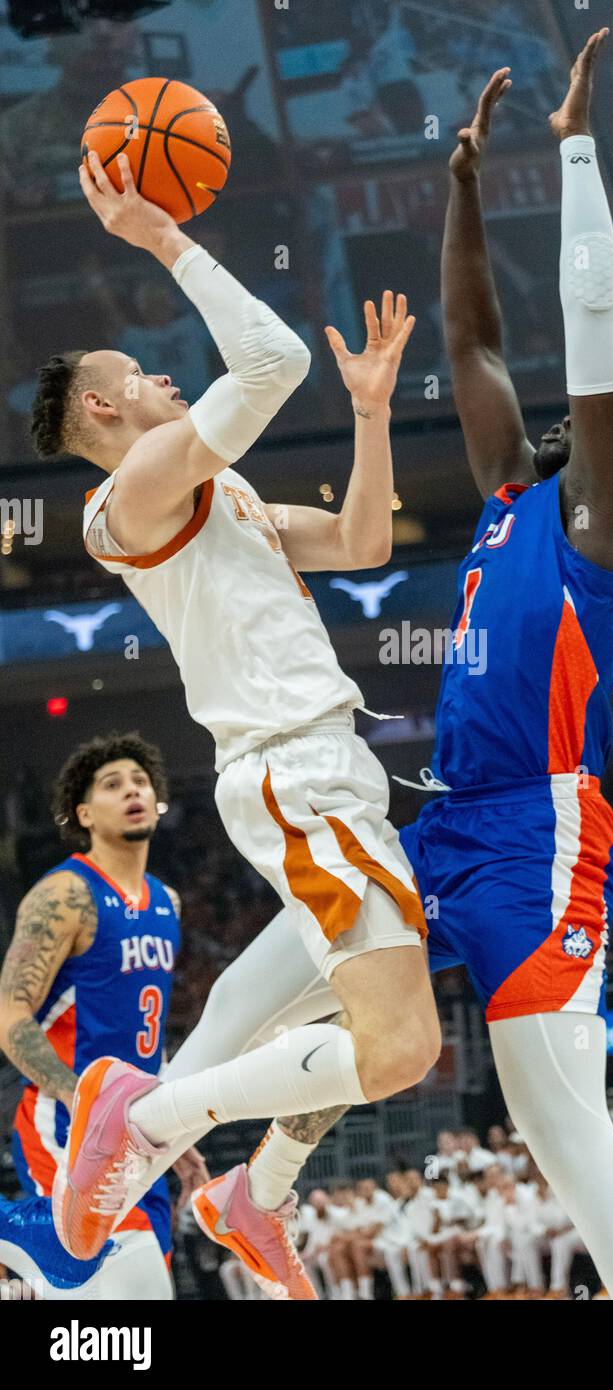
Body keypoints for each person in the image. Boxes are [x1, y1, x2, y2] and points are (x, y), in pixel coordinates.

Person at [82, 29, 613, 1302]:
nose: (595, 414)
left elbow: (587, 322)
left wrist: (574, 150)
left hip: (543, 838)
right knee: (303, 971)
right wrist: (458, 186)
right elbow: (472, 350)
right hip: (447, 812)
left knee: (561, 1129)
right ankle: (234, 1178)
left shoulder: (603, 529)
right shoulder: (517, 492)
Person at [29, 148, 439, 1293]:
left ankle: (240, 1188)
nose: (169, 378)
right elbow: (269, 358)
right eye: (146, 373)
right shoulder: (126, 500)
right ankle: (154, 1115)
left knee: (336, 1012)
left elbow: (362, 542)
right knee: (401, 1048)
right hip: (293, 772)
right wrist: (162, 236)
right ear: (103, 408)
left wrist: (367, 418)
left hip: (322, 767)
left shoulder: (223, 493)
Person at [0, 734, 205, 1299]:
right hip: (67, 1125)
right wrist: (75, 1096)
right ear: (84, 813)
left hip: (141, 1128)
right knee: (131, 1294)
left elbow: (146, 1038)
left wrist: (173, 1128)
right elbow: (10, 1013)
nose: (132, 791)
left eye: (140, 782)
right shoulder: (66, 894)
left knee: (135, 1295)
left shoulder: (168, 900)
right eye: (112, 785)